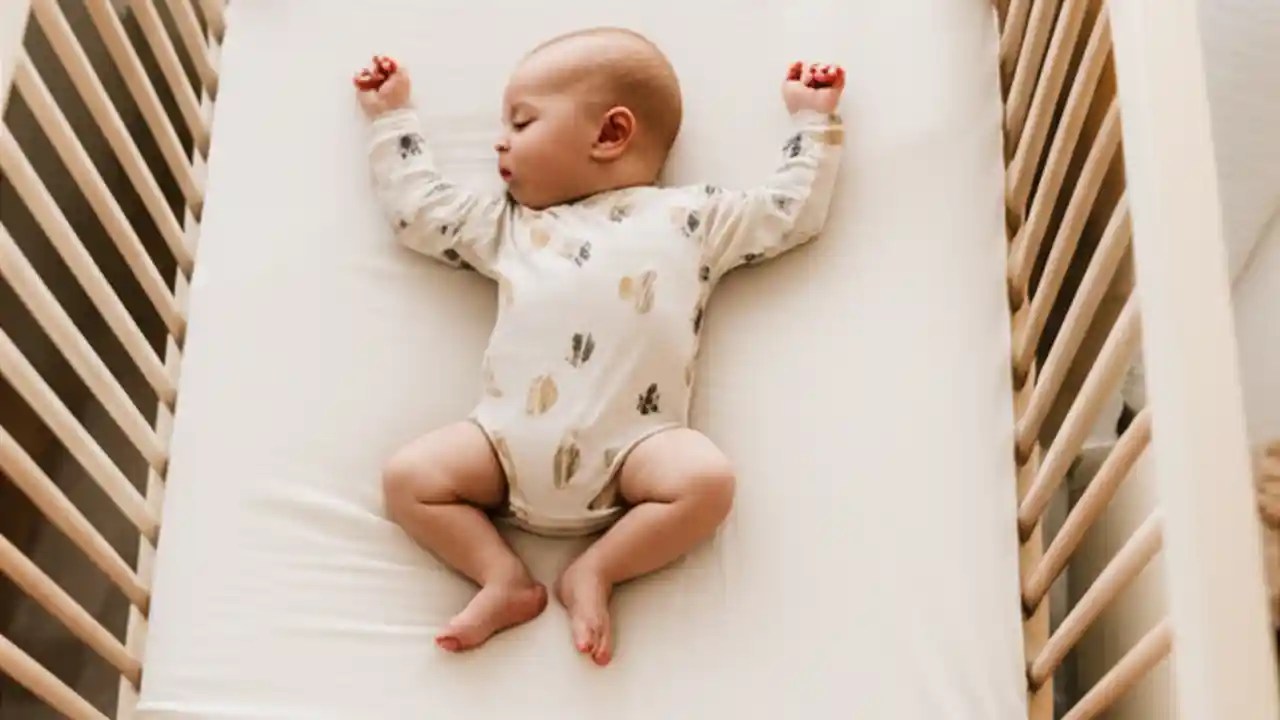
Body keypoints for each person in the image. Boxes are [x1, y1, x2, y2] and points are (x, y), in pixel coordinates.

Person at [354, 26, 845, 667]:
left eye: (522, 122)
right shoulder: (508, 224)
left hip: (636, 450)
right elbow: (422, 214)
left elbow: (790, 213)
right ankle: (502, 578)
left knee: (708, 482)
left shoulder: (691, 219)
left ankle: (597, 570)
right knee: (409, 479)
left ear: (611, 134)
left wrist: (812, 125)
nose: (498, 140)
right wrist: (392, 119)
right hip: (501, 447)